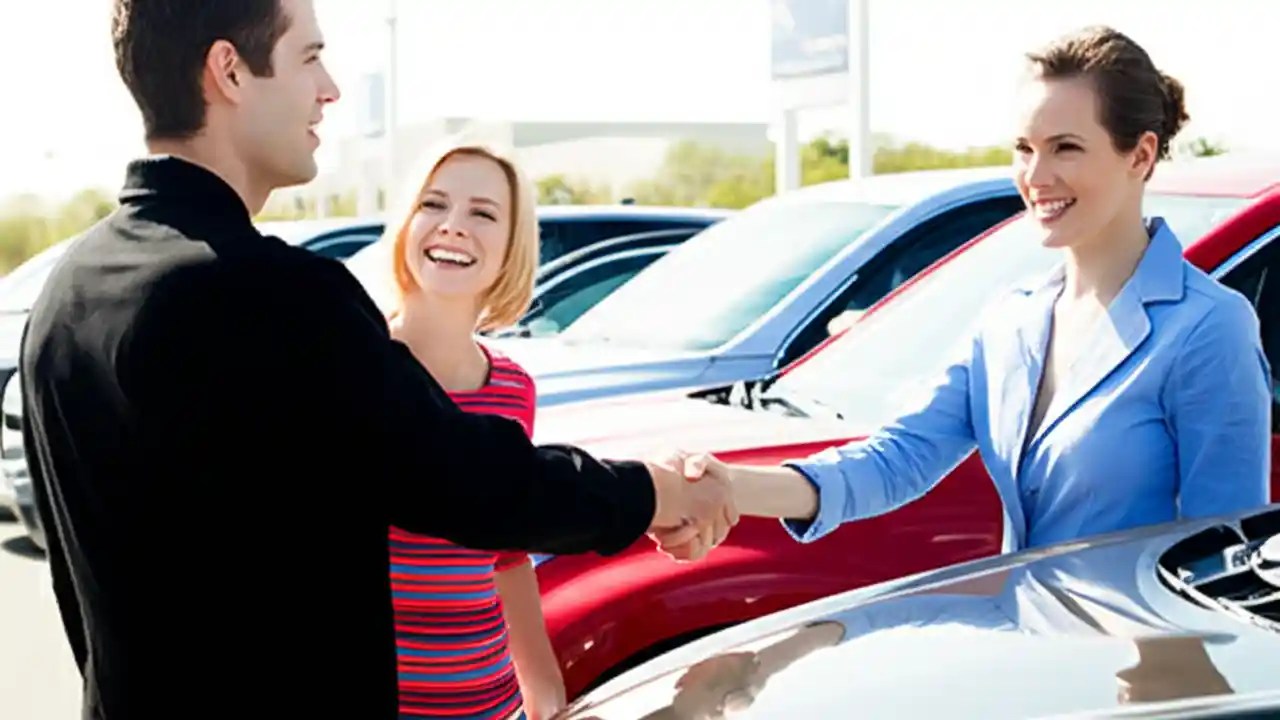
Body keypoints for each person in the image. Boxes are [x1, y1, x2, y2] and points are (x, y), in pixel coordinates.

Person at [18, 2, 733, 718]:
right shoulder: (270, 293)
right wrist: (660, 493)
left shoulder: (68, 291)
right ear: (229, 71)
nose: (329, 89)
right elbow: (471, 481)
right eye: (309, 57)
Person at [656, 25, 1271, 561]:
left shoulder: (1207, 328)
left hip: (1144, 682)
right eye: (1024, 149)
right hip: (1028, 661)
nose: (1035, 176)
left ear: (1140, 155)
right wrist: (728, 487)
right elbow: (894, 462)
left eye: (1066, 148)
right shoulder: (1012, 319)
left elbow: (1224, 556)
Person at [380, 138, 566, 720]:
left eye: (483, 213)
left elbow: (509, 550)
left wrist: (544, 689)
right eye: (433, 204)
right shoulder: (348, 363)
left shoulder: (514, 388)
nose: (454, 226)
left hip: (486, 704)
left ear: (512, 247)